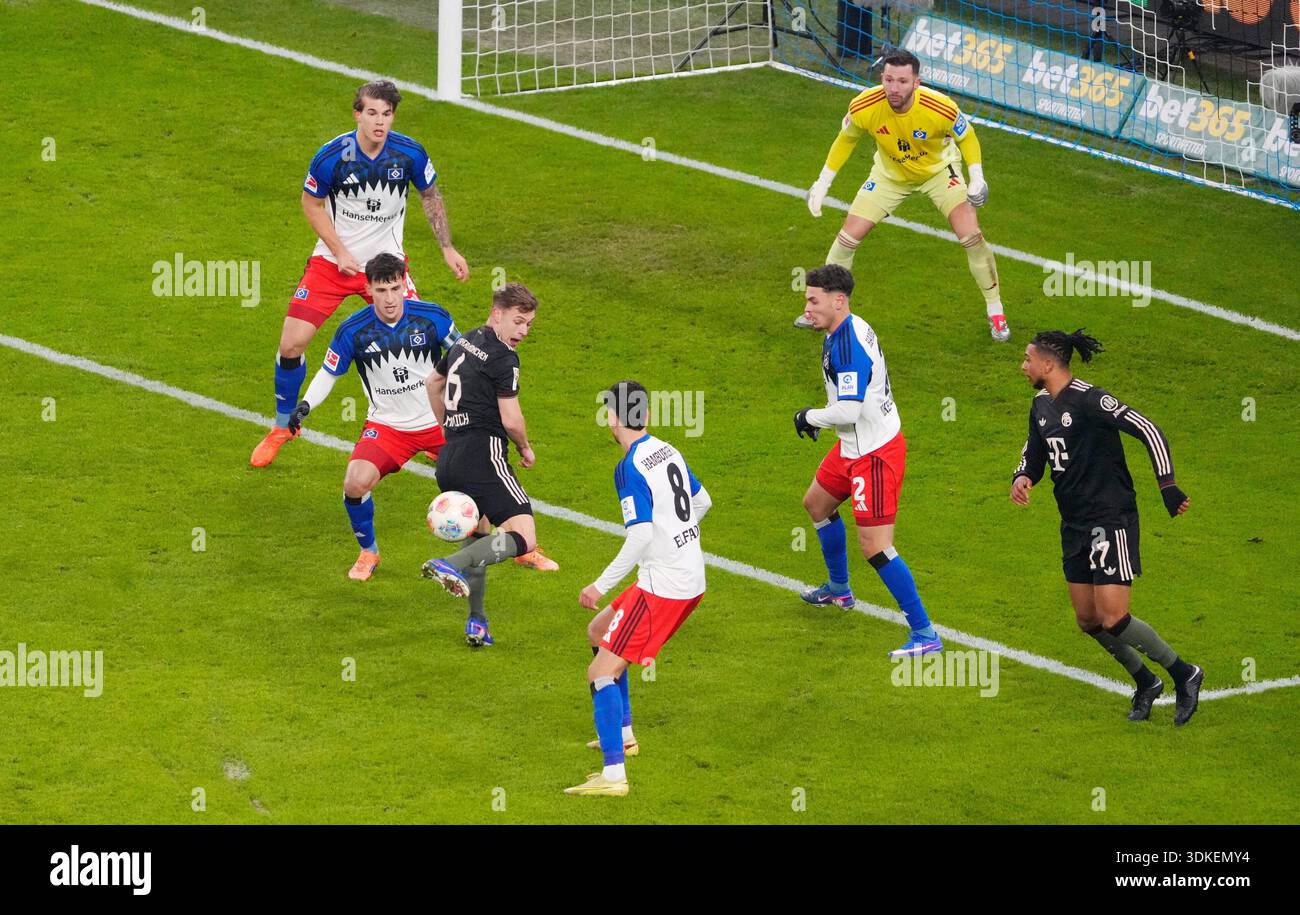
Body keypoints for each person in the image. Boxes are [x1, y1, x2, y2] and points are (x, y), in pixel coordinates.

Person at [251, 78, 470, 468]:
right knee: (291, 345)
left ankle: (439, 428)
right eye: (372, 113)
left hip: (387, 273)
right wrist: (339, 251)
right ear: (357, 113)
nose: (380, 122)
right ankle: (283, 425)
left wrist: (447, 247)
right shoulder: (332, 157)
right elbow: (311, 204)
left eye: (387, 114)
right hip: (333, 264)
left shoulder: (409, 155)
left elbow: (430, 196)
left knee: (423, 342)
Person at [1011, 329, 1203, 725]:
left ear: (1048, 363)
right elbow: (1035, 449)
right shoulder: (1040, 404)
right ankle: (1146, 681)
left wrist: (1167, 485)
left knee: (1115, 616)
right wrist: (1023, 476)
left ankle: (1185, 674)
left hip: (1110, 518)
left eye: (1028, 358)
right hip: (1074, 523)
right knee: (1089, 620)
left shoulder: (1091, 399)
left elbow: (1148, 429)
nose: (1023, 365)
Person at [803, 50, 1009, 342]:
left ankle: (996, 311)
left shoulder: (941, 108)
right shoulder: (865, 105)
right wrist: (823, 182)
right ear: (882, 78)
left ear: (917, 82)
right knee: (847, 239)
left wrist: (977, 177)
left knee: (971, 235)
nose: (894, 88)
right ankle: (826, 312)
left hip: (939, 172)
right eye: (888, 80)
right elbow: (846, 139)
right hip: (889, 176)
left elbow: (967, 136)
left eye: (902, 81)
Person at [566, 381, 710, 797]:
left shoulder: (629, 467)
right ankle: (623, 734)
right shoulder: (668, 450)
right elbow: (703, 503)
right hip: (686, 577)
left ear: (612, 419)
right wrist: (680, 538)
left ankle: (613, 777)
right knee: (598, 632)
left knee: (600, 673)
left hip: (663, 587)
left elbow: (641, 535)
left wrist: (599, 584)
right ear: (645, 416)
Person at [794, 265, 942, 658]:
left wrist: (808, 417)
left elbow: (848, 411)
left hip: (873, 453)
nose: (806, 308)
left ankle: (924, 633)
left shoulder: (847, 345)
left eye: (813, 300)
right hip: (853, 446)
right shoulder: (847, 327)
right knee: (817, 504)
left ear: (838, 300)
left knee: (876, 546)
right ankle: (840, 591)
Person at [285, 253, 458, 580]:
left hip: (439, 421)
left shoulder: (432, 318)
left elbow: (464, 358)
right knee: (355, 482)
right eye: (381, 291)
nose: (390, 299)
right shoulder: (353, 331)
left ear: (404, 284)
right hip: (388, 427)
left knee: (478, 478)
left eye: (395, 288)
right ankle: (368, 552)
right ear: (368, 288)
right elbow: (328, 372)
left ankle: (517, 544)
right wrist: (305, 405)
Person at [421, 283, 556, 647]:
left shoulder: (466, 339)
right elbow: (511, 419)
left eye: (528, 324)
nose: (523, 332)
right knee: (525, 538)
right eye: (518, 321)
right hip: (484, 455)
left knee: (480, 535)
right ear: (497, 313)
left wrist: (447, 429)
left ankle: (477, 621)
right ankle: (450, 563)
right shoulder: (503, 358)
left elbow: (432, 382)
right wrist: (525, 447)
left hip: (451, 458)